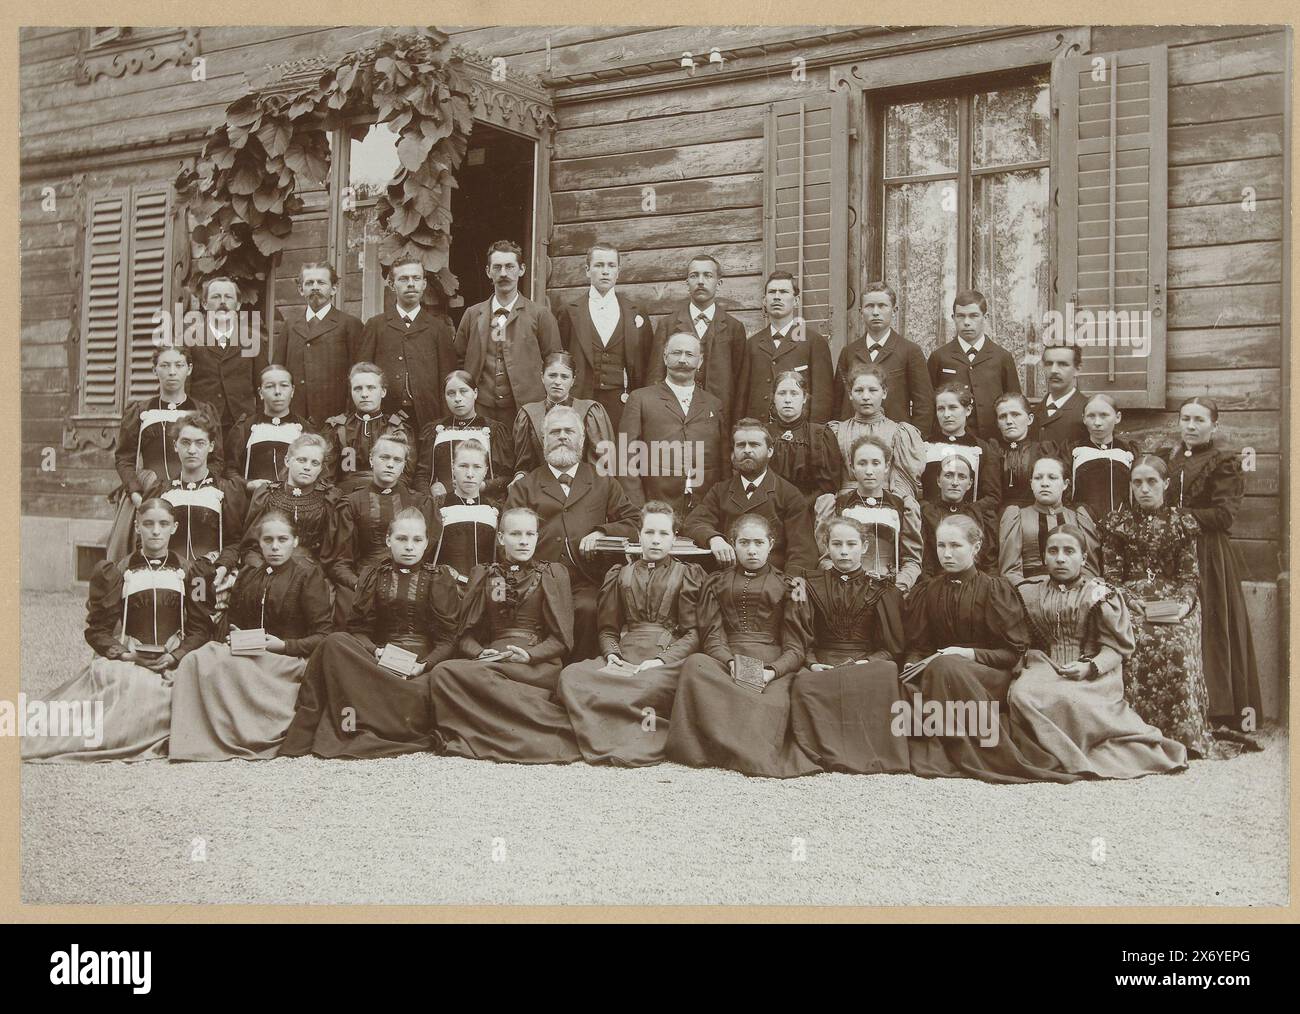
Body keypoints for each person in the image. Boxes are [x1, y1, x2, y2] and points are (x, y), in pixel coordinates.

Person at [22, 499, 210, 762]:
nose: (155, 531)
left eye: (163, 524)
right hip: (131, 659)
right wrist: (124, 654)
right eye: (148, 524)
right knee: (122, 691)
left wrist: (177, 654)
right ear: (136, 527)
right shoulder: (118, 572)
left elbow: (202, 628)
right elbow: (97, 630)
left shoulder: (192, 573)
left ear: (174, 528)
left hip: (173, 659)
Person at [904, 515, 1075, 783]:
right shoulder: (928, 591)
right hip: (942, 670)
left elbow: (1012, 654)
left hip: (990, 674)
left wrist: (967, 654)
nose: (946, 554)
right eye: (941, 546)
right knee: (907, 678)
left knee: (946, 666)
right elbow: (920, 647)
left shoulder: (994, 588)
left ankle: (971, 754)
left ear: (976, 547)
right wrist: (911, 664)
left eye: (956, 546)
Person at [1009, 526, 1187, 778]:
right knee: (1021, 693)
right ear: (1044, 558)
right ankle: (1050, 753)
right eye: (1053, 551)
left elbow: (1116, 648)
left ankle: (1075, 753)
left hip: (1093, 672)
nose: (1060, 558)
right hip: (1046, 665)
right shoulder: (1030, 592)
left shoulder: (1099, 595)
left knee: (1072, 700)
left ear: (1083, 558)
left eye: (1069, 551)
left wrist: (1089, 667)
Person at [282, 508, 461, 759]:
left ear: (426, 543)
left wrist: (423, 665)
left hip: (419, 669)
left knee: (431, 685)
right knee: (335, 643)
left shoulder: (439, 578)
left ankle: (387, 715)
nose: (409, 547)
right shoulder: (373, 575)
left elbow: (448, 640)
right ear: (388, 540)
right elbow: (358, 630)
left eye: (417, 540)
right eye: (401, 539)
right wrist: (375, 651)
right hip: (380, 661)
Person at [168, 511, 332, 761]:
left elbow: (323, 635)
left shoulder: (308, 576)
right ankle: (194, 738)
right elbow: (234, 620)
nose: (275, 547)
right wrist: (236, 634)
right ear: (259, 543)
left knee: (220, 663)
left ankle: (237, 735)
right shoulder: (248, 574)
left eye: (283, 539)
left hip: (286, 662)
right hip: (250, 653)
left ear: (295, 542)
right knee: (195, 660)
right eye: (268, 540)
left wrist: (284, 645)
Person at [665, 514, 819, 778]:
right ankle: (714, 747)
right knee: (695, 665)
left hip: (771, 666)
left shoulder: (791, 586)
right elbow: (712, 636)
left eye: (758, 543)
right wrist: (730, 662)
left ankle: (741, 748)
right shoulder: (715, 582)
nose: (751, 550)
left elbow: (795, 648)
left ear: (771, 544)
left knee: (778, 695)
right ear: (733, 544)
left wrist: (771, 671)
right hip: (728, 661)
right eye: (744, 542)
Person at [557, 501, 709, 767]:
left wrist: (661, 661)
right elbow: (608, 629)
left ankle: (631, 735)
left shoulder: (688, 574)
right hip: (626, 655)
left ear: (674, 538)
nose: (656, 540)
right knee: (571, 676)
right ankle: (606, 733)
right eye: (650, 533)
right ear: (639, 535)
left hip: (665, 659)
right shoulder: (620, 574)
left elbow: (692, 634)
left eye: (664, 534)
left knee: (652, 683)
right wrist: (612, 655)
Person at [428, 506, 582, 764]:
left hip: (536, 665)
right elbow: (465, 636)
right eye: (515, 534)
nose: (523, 541)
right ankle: (514, 726)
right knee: (443, 673)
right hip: (494, 662)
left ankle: (508, 727)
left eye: (530, 534)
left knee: (474, 679)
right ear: (501, 538)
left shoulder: (552, 574)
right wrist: (479, 652)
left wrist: (530, 656)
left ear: (537, 537)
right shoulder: (487, 575)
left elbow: (562, 640)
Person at [1098, 456, 1217, 757]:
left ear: (1165, 484)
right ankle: (1133, 734)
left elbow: (1189, 576)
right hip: (1131, 600)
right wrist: (1131, 600)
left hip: (1175, 600)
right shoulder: (1118, 524)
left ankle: (1183, 735)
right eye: (1137, 482)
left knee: (1175, 642)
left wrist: (1182, 605)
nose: (1144, 489)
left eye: (1151, 482)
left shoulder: (1181, 523)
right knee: (1133, 638)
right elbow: (1111, 575)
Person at [506, 405, 641, 659]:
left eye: (569, 431)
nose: (562, 437)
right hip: (537, 581)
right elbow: (505, 538)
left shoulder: (603, 482)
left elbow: (634, 523)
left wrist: (603, 532)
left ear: (581, 439)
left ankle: (578, 674)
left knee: (589, 609)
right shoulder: (524, 487)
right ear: (545, 440)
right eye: (555, 432)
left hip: (585, 580)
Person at [1160, 397, 1262, 733]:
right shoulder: (1169, 458)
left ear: (1214, 426)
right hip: (1170, 551)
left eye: (1199, 420)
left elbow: (1223, 515)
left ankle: (1217, 709)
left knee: (1210, 624)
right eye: (1185, 419)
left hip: (1207, 553)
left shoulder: (1223, 462)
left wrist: (1175, 518)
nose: (1190, 426)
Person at [786, 516, 909, 775]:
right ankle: (822, 750)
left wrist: (868, 662)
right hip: (822, 661)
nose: (843, 551)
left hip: (864, 662)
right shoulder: (808, 584)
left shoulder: (882, 589)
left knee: (885, 672)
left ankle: (870, 752)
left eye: (851, 544)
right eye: (837, 544)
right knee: (803, 682)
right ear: (826, 546)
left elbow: (892, 647)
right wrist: (811, 662)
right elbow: (801, 635)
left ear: (864, 547)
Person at [107, 345, 224, 563]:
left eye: (179, 365)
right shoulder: (140, 411)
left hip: (193, 490)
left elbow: (217, 460)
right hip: (147, 491)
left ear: (189, 369)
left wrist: (202, 487)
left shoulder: (203, 411)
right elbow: (124, 458)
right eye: (165, 365)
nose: (172, 372)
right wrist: (135, 493)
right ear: (155, 370)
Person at [683, 418, 815, 573]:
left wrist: (787, 587)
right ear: (733, 454)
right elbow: (694, 522)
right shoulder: (720, 491)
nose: (746, 450)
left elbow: (803, 553)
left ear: (770, 451)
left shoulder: (789, 495)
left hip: (772, 581)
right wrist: (713, 538)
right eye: (740, 445)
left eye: (754, 444)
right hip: (725, 579)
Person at [144, 411, 246, 610]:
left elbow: (236, 541)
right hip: (169, 573)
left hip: (213, 574)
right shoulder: (161, 491)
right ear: (175, 445)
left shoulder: (226, 490)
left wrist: (222, 567)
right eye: (185, 442)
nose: (192, 450)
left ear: (211, 446)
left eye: (200, 443)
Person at [453, 239, 562, 426]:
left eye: (510, 266)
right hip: (481, 409)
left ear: (522, 269)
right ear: (488, 271)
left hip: (525, 411)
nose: (503, 273)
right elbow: (458, 360)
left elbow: (554, 363)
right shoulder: (472, 315)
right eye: (497, 267)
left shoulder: (540, 315)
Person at [617, 331, 727, 513]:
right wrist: (638, 508)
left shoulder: (713, 404)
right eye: (676, 353)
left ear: (700, 361)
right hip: (655, 507)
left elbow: (723, 461)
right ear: (665, 357)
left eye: (689, 354)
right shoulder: (640, 399)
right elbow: (625, 459)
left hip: (704, 508)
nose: (683, 360)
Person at [329, 430, 434, 621]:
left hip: (408, 580)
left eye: (397, 460)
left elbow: (424, 554)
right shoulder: (352, 503)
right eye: (384, 457)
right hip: (362, 580)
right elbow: (340, 562)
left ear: (404, 466)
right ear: (371, 460)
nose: (390, 464)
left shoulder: (419, 502)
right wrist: (360, 584)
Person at [556, 242, 653, 430]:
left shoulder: (635, 311)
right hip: (581, 400)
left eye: (611, 266)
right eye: (599, 265)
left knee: (618, 454)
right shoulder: (569, 312)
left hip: (622, 401)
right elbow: (562, 357)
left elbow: (647, 360)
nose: (605, 271)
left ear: (618, 271)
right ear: (587, 270)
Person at [357, 256, 457, 432]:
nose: (411, 284)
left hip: (427, 418)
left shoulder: (439, 328)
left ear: (424, 284)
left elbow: (447, 379)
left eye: (416, 278)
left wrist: (445, 422)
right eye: (403, 279)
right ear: (392, 285)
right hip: (384, 417)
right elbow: (362, 374)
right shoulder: (375, 325)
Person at [262, 262, 364, 427]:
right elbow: (277, 372)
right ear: (301, 290)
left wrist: (348, 417)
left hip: (334, 420)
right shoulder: (290, 325)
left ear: (334, 289)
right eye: (309, 283)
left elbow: (359, 375)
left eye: (321, 282)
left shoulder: (349, 324)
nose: (315, 287)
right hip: (294, 418)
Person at [818, 435, 922, 594]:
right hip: (847, 592)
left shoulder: (902, 507)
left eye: (876, 463)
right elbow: (826, 560)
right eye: (862, 463)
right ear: (852, 468)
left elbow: (912, 561)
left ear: (887, 466)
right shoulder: (836, 505)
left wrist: (897, 589)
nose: (869, 471)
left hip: (891, 591)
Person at [648, 253, 743, 427]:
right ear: (687, 284)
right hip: (674, 418)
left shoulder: (734, 328)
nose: (700, 281)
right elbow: (655, 377)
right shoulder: (667, 325)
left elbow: (739, 381)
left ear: (718, 283)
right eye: (694, 276)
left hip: (718, 418)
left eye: (707, 275)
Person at [832, 282, 934, 434]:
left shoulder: (910, 351)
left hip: (894, 439)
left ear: (894, 310)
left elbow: (924, 404)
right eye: (869, 306)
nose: (875, 312)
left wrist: (913, 440)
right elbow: (837, 402)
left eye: (882, 306)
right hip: (854, 439)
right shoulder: (849, 352)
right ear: (861, 312)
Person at [238, 433, 342, 580]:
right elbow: (250, 548)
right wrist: (262, 574)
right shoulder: (266, 494)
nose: (307, 467)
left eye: (314, 463)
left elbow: (332, 553)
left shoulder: (329, 498)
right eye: (301, 460)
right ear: (287, 461)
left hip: (311, 575)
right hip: (267, 571)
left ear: (320, 468)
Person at [737, 271, 834, 424]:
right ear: (764, 300)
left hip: (800, 435)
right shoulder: (752, 344)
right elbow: (742, 396)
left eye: (783, 292)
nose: (776, 296)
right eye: (772, 292)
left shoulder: (814, 342)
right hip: (759, 434)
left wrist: (814, 436)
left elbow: (823, 398)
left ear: (796, 301)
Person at [926, 289, 1021, 441]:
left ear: (986, 317)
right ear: (953, 318)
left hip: (992, 441)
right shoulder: (939, 357)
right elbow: (928, 403)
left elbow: (1015, 402)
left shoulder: (1002, 357)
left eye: (974, 316)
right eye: (961, 316)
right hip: (950, 441)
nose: (967, 322)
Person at [827, 363, 925, 501]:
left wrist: (891, 507)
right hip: (844, 505)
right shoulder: (836, 432)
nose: (865, 396)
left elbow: (904, 483)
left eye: (873, 390)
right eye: (859, 390)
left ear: (884, 392)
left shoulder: (899, 433)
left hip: (887, 504)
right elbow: (829, 482)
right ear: (850, 394)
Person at [511, 351, 615, 479]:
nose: (557, 382)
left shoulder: (590, 411)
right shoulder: (528, 414)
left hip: (583, 487)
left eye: (564, 377)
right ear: (542, 377)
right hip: (540, 488)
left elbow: (601, 466)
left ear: (573, 380)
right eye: (552, 375)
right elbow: (524, 466)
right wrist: (520, 476)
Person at [413, 370, 513, 502]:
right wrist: (430, 502)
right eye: (451, 393)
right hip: (442, 504)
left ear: (475, 393)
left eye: (463, 391)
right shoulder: (434, 430)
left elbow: (506, 477)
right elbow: (422, 476)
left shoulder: (494, 430)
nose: (457, 398)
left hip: (484, 502)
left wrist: (483, 486)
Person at [999, 454, 1099, 582]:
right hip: (1029, 592)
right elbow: (1010, 572)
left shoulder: (1079, 518)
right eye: (1038, 478)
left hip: (1074, 594)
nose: (1044, 484)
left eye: (1052, 478)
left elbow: (1089, 569)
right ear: (1031, 484)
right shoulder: (1016, 517)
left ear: (1065, 484)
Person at [323, 362, 417, 494]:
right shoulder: (337, 427)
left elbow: (406, 475)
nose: (364, 394)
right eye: (358, 389)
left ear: (383, 392)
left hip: (388, 494)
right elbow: (326, 476)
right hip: (346, 496)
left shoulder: (397, 427)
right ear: (351, 392)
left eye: (371, 388)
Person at [188, 276, 258, 447]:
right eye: (215, 297)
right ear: (204, 304)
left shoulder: (252, 339)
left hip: (241, 425)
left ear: (238, 304)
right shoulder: (190, 339)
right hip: (203, 424)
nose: (222, 302)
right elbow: (185, 385)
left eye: (228, 297)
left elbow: (261, 384)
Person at [920, 381, 1001, 522]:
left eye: (953, 408)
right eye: (940, 409)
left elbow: (992, 497)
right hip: (929, 521)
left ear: (968, 410)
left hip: (968, 521)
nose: (946, 414)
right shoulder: (924, 446)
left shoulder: (982, 449)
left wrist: (968, 512)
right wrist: (927, 510)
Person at [225, 365, 310, 492]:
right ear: (260, 393)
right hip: (254, 503)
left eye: (284, 385)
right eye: (270, 386)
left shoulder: (305, 430)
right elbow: (229, 471)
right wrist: (247, 485)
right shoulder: (245, 428)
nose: (277, 391)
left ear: (292, 391)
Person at [428, 439, 499, 579]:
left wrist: (499, 598)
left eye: (477, 467)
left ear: (485, 471)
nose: (470, 474)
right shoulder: (436, 506)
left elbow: (500, 566)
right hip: (447, 590)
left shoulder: (494, 510)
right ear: (453, 468)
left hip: (485, 592)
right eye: (463, 466)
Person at [766, 370, 842, 498]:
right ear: (773, 397)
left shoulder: (819, 435)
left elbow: (828, 485)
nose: (787, 400)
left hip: (807, 509)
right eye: (782, 393)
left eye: (794, 394)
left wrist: (800, 507)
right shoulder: (762, 433)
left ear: (804, 398)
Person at [920, 453, 997, 576]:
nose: (955, 482)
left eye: (961, 477)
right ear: (939, 481)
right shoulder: (926, 513)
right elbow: (925, 566)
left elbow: (989, 564)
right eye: (949, 476)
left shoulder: (979, 515)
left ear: (970, 484)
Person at [1069, 393, 1137, 521]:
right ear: (1084, 418)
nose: (1097, 423)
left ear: (1117, 417)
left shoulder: (1127, 452)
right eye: (1091, 416)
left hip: (1122, 526)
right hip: (1084, 524)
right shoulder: (1074, 452)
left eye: (1104, 415)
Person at [992, 392, 1060, 510]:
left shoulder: (1043, 451)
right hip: (998, 515)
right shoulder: (992, 450)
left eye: (1015, 414)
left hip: (1036, 514)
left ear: (1029, 419)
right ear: (997, 423)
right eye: (1002, 416)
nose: (1009, 421)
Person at [1030, 345, 1088, 446]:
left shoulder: (1088, 411)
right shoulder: (1032, 413)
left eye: (1062, 364)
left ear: (1077, 369)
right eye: (1049, 364)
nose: (1054, 370)